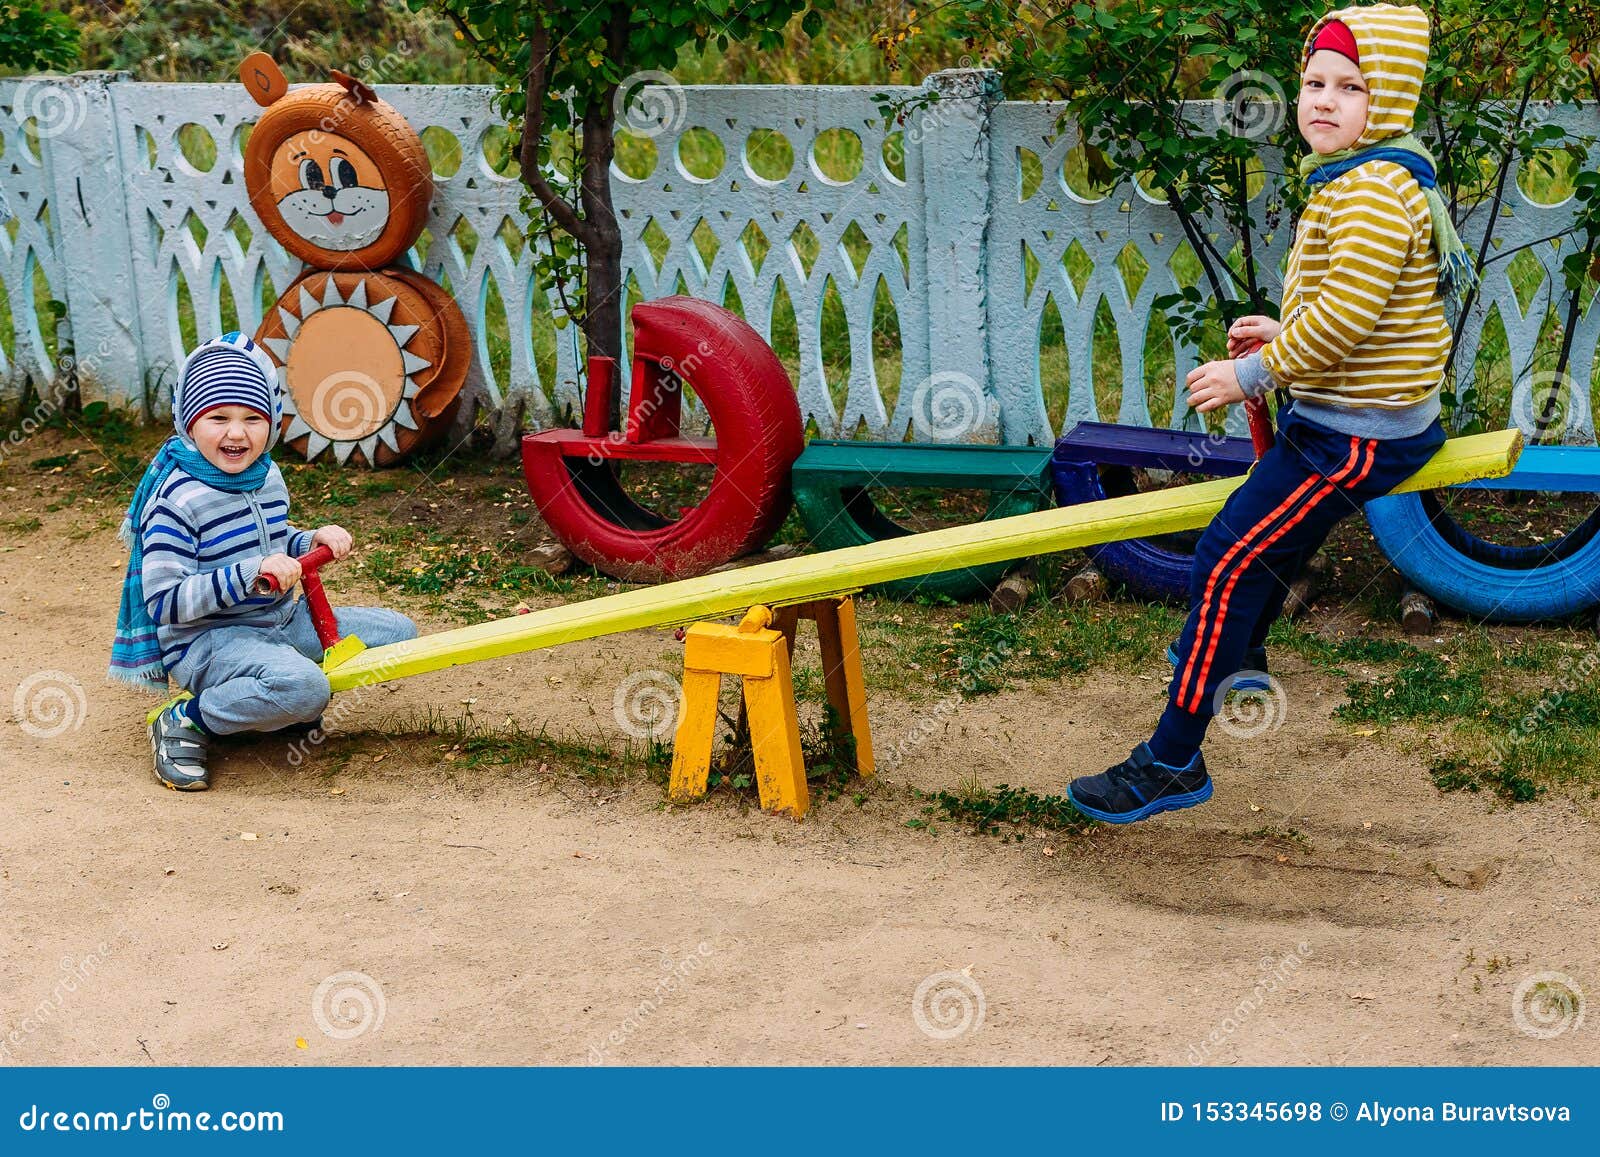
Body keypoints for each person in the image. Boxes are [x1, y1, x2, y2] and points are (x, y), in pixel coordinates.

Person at [1069, 2, 1473, 823]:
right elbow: (1365, 312)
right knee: (1255, 545)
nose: (1324, 100)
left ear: (1385, 101)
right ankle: (1239, 654)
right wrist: (1287, 331)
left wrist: (1252, 372)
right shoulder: (1377, 174)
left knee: (1223, 555)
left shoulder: (1371, 193)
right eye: (1313, 81)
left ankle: (1172, 759)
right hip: (1349, 413)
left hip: (1357, 435)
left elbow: (1346, 324)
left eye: (1350, 86)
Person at [109, 332, 417, 791]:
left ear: (272, 423)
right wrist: (249, 575)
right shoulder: (177, 500)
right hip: (208, 640)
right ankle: (188, 719)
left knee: (397, 634)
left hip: (278, 621)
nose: (237, 432)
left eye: (253, 418)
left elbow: (271, 541)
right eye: (218, 417)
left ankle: (274, 702)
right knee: (309, 688)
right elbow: (165, 602)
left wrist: (308, 540)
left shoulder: (266, 474)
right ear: (189, 423)